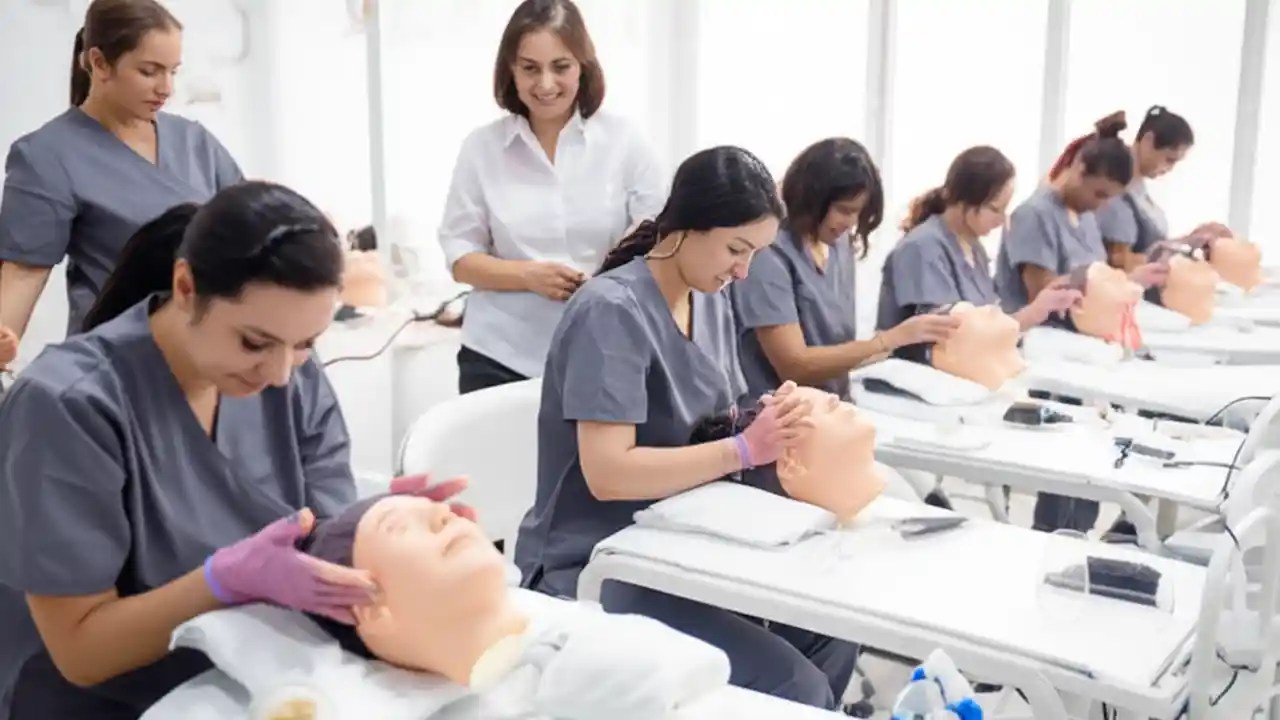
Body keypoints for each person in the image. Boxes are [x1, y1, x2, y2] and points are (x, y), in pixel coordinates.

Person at [0, 182, 470, 719]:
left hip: (253, 681)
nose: (278, 373)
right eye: (254, 342)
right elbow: (82, 652)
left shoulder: (294, 373)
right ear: (185, 286)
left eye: (306, 344)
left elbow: (316, 543)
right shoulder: (68, 406)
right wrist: (223, 581)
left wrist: (380, 522)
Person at [514, 146, 860, 711]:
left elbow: (708, 422)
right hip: (598, 559)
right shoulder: (613, 312)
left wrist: (768, 417)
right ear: (687, 227)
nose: (743, 271)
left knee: (833, 634)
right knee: (795, 685)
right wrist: (745, 447)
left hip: (680, 539)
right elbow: (608, 473)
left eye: (755, 254)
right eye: (735, 249)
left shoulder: (711, 300)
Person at [438, 0, 668, 394]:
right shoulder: (481, 149)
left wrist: (605, 281)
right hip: (500, 355)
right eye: (530, 68)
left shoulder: (624, 141)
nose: (545, 84)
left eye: (560, 67)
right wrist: (528, 276)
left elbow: (661, 240)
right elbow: (461, 259)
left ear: (583, 66)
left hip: (605, 348)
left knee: (599, 458)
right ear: (510, 70)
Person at [0, 0, 243, 346]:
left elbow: (249, 233)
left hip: (206, 353)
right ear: (99, 63)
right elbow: (23, 276)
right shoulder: (47, 156)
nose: (166, 88)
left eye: (173, 71)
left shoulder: (195, 142)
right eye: (149, 71)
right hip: (115, 360)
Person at [731, 137, 959, 403]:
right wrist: (888, 341)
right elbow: (795, 366)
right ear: (811, 198)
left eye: (858, 213)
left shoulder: (838, 245)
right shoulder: (769, 254)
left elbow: (840, 354)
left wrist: (894, 343)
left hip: (832, 408)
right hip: (780, 416)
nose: (850, 223)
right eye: (843, 210)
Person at [880, 146, 1081, 332]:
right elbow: (951, 335)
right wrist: (1032, 313)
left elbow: (988, 326)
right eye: (995, 209)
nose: (1002, 220)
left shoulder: (975, 250)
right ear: (961, 200)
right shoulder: (922, 248)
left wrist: (1040, 307)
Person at [993, 111, 1167, 323]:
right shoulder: (1033, 215)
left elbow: (1098, 276)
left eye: (1108, 199)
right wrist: (1117, 281)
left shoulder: (1085, 216)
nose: (1100, 205)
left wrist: (1130, 280)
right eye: (1098, 194)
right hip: (1039, 333)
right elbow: (1043, 295)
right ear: (1079, 169)